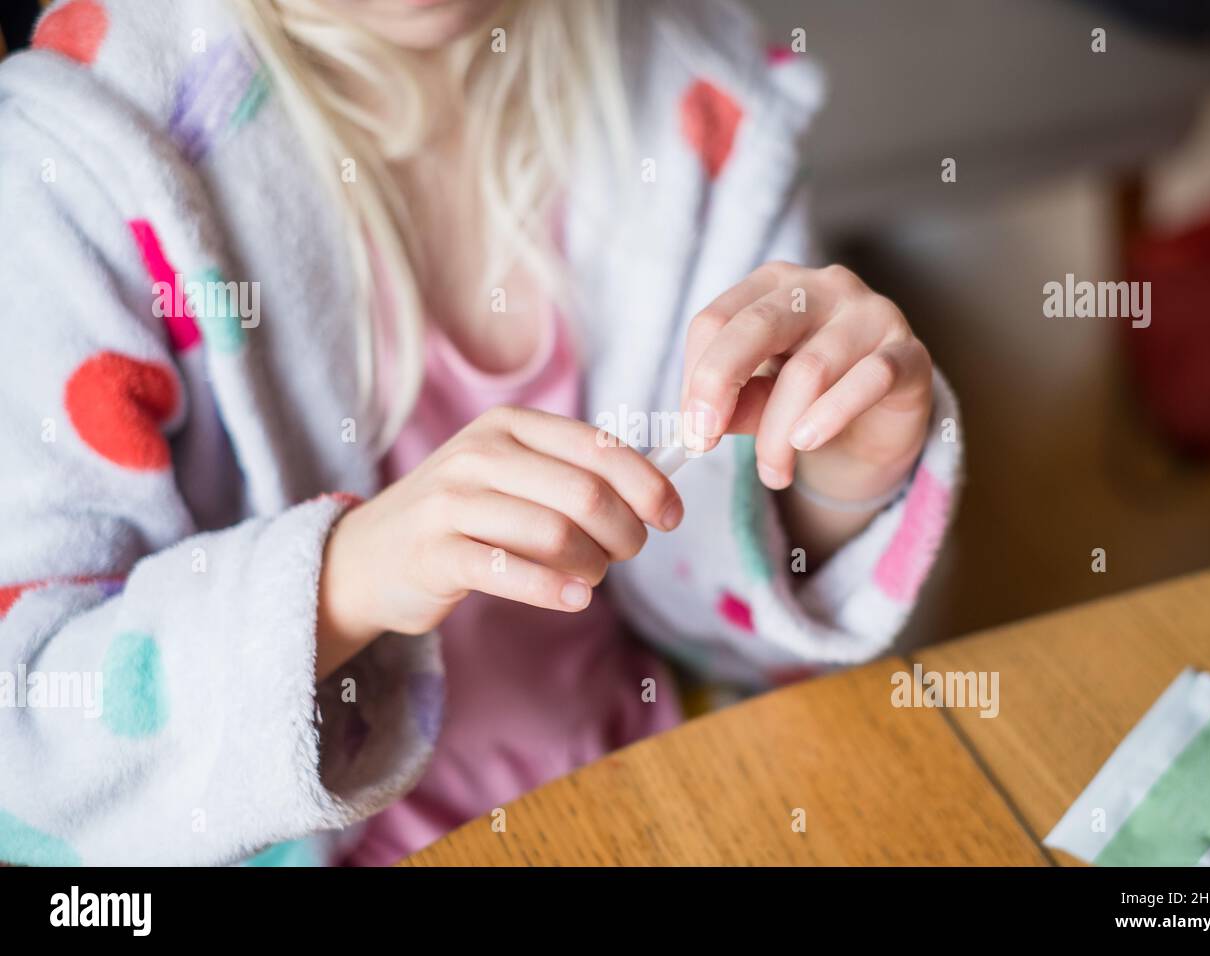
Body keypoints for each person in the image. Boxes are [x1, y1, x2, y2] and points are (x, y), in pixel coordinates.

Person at [0, 0, 961, 866]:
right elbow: (36, 755)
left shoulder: (697, 89)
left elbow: (726, 594)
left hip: (670, 771)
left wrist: (834, 481)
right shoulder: (73, 163)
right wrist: (349, 577)